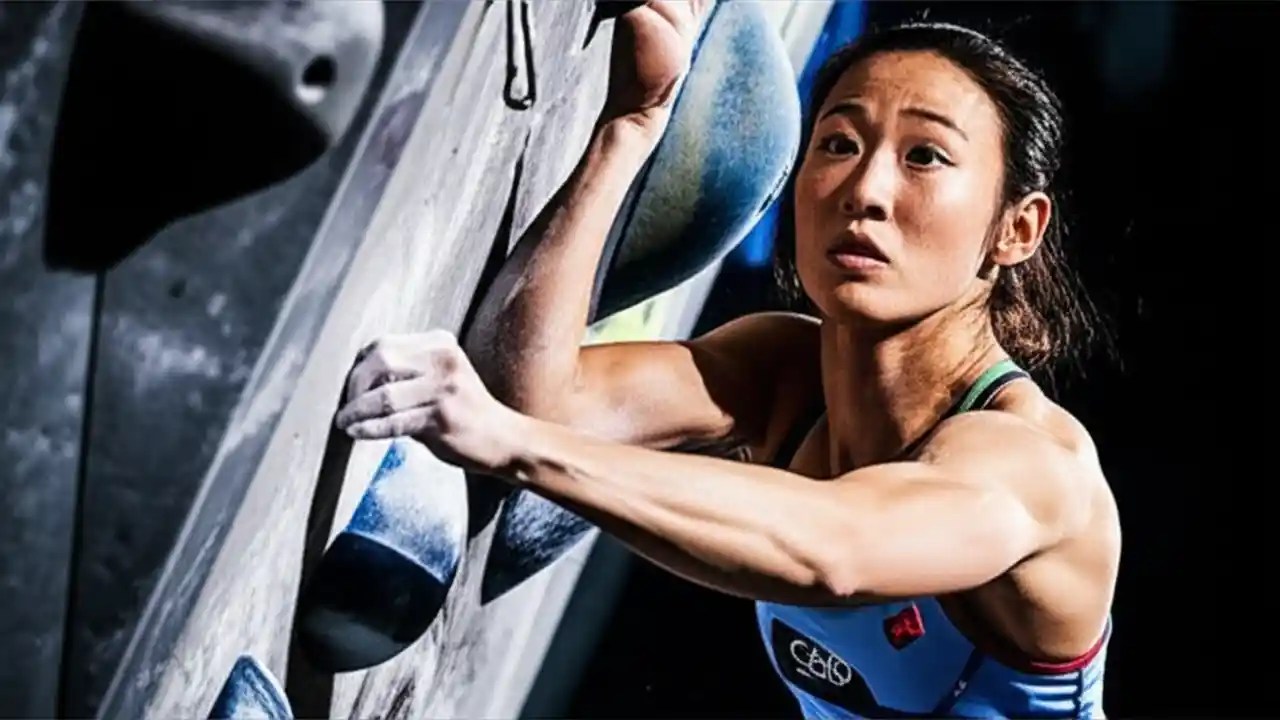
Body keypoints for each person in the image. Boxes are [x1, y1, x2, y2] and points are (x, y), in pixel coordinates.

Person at [333, 2, 1121, 717]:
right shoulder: (782, 369)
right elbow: (538, 399)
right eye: (839, 143)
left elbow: (835, 552)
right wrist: (633, 125)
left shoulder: (1033, 467)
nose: (866, 189)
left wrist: (510, 444)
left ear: (1016, 230)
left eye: (926, 158)